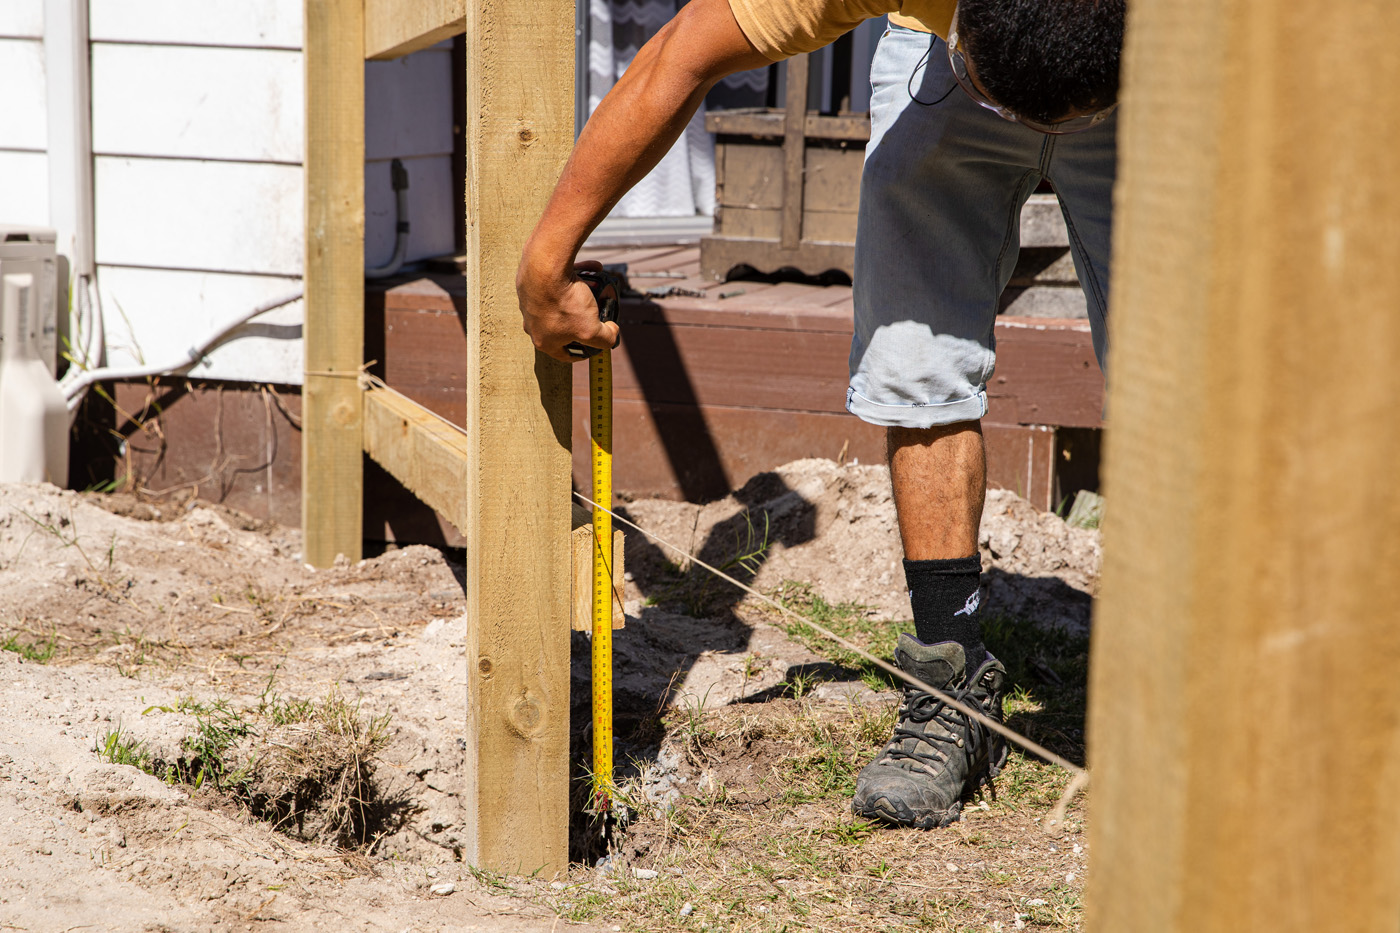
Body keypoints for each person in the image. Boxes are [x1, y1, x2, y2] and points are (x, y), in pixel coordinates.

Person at [517, 0, 1124, 829]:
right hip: (937, 75)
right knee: (915, 357)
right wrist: (549, 254)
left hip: (1149, 95)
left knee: (1193, 373)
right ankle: (949, 685)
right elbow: (682, 54)